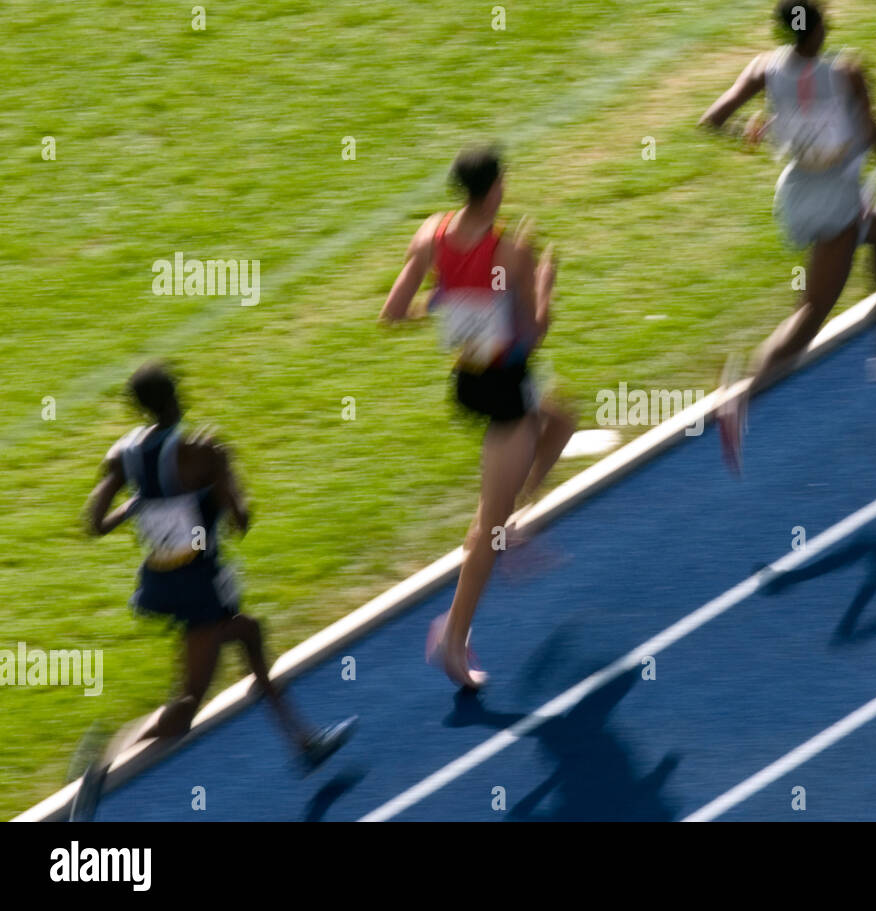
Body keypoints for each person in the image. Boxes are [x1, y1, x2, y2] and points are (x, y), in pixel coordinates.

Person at [76, 363, 356, 819]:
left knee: (248, 633)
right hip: (200, 581)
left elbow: (94, 523)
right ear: (175, 395)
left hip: (160, 581)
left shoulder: (122, 454)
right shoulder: (203, 450)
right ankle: (105, 757)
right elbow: (241, 521)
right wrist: (228, 483)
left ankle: (304, 741)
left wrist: (136, 504)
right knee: (187, 703)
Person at [700, 0, 876, 474]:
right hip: (836, 199)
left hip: (797, 193)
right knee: (811, 315)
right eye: (825, 19)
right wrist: (873, 134)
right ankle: (740, 397)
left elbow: (711, 119)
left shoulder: (764, 68)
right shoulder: (847, 72)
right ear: (817, 29)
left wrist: (755, 133)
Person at [380, 145, 576, 689]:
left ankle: (511, 517)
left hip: (467, 380)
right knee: (487, 529)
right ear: (496, 188)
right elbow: (536, 332)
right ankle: (452, 639)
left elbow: (392, 313)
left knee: (561, 420)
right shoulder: (511, 253)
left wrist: (444, 301)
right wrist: (545, 280)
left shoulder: (431, 233)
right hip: (504, 391)